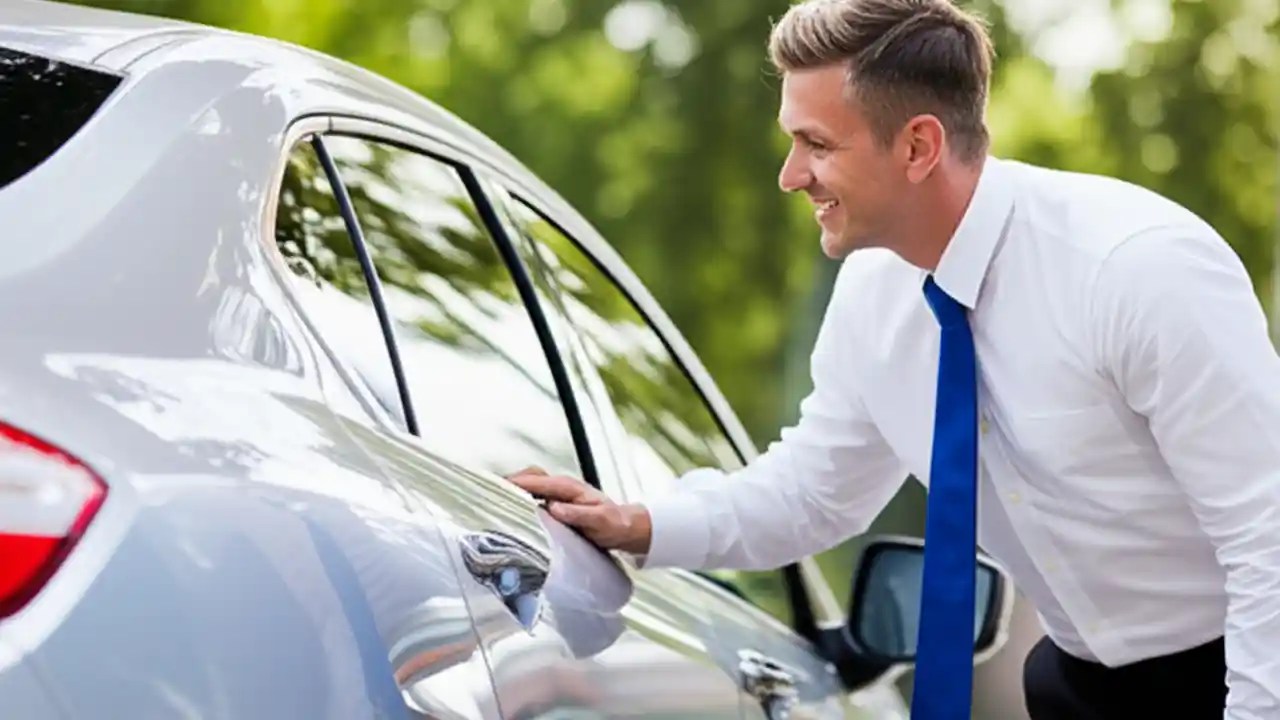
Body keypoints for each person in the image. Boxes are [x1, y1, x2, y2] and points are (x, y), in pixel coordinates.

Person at [509, 0, 1280, 717]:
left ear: (917, 145)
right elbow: (814, 494)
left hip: (1241, 673)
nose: (790, 175)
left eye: (816, 144)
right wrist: (637, 522)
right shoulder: (873, 297)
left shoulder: (1136, 270)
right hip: (1079, 688)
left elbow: (1268, 536)